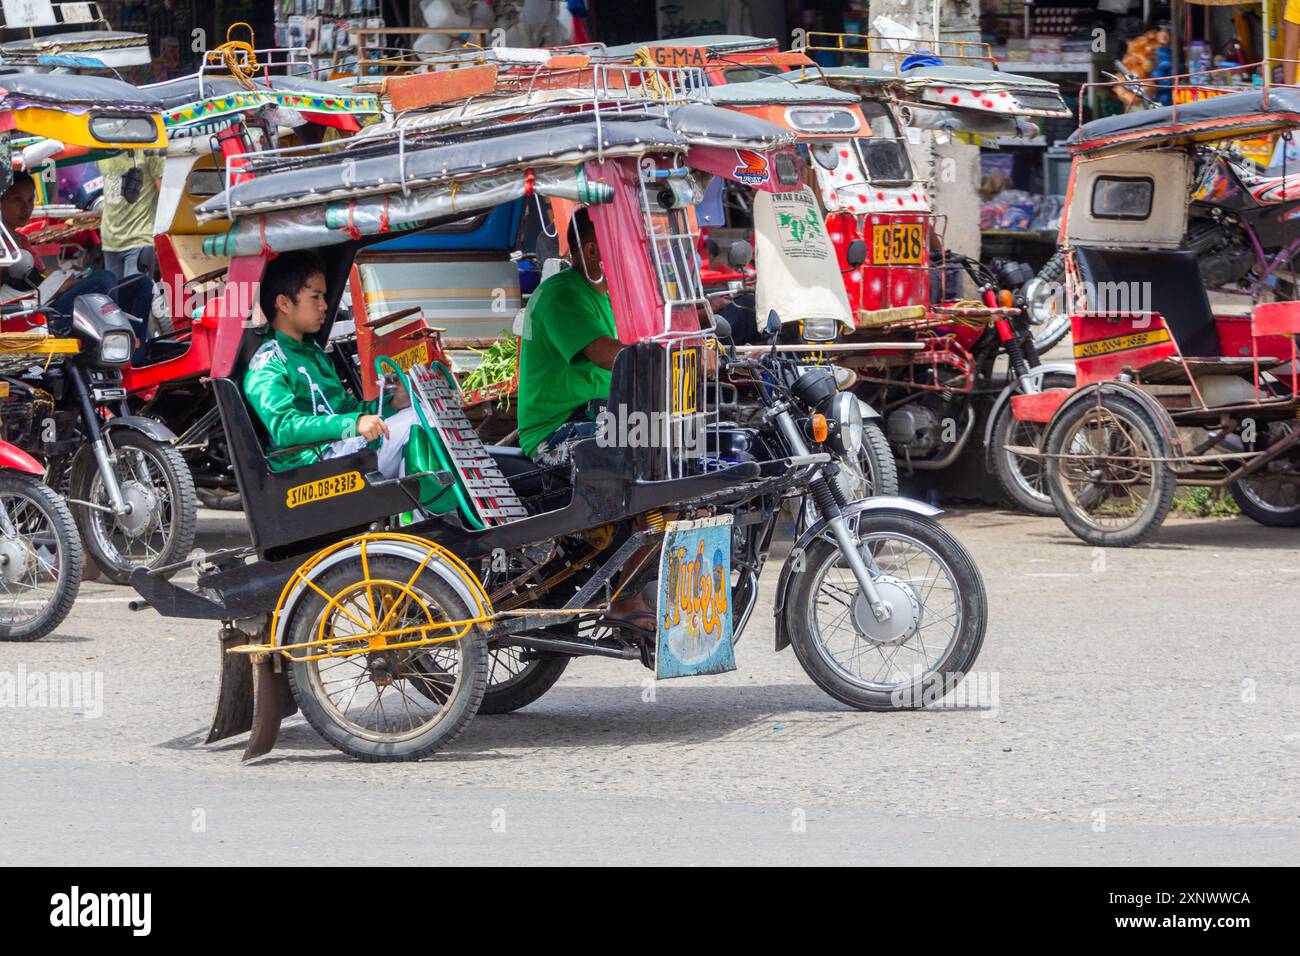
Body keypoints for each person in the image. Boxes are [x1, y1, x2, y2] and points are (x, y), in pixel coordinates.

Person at [243, 250, 414, 475]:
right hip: (308, 463)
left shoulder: (313, 351)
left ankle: (425, 510)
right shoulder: (268, 362)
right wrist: (353, 424)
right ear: (284, 303)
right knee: (418, 424)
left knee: (419, 414)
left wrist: (393, 405)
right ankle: (427, 511)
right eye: (315, 297)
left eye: (324, 297)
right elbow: (285, 428)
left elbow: (345, 409)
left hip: (340, 448)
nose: (324, 305)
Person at [517, 206, 624, 467]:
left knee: (695, 436)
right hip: (556, 431)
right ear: (592, 250)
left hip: (597, 416)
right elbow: (606, 355)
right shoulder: (561, 294)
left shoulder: (606, 296)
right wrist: (667, 357)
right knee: (654, 442)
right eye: (622, 245)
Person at [0, 171, 149, 340]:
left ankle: (133, 357)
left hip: (47, 302)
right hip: (32, 318)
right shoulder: (2, 242)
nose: (26, 207)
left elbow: (39, 277)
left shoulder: (22, 240)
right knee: (103, 281)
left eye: (29, 200)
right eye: (17, 200)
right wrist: (59, 288)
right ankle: (112, 346)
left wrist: (60, 275)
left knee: (140, 284)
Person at [97, 149, 164, 326]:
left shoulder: (149, 150)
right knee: (115, 311)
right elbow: (109, 190)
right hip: (109, 241)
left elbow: (165, 192)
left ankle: (141, 349)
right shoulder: (101, 147)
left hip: (139, 238)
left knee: (134, 307)